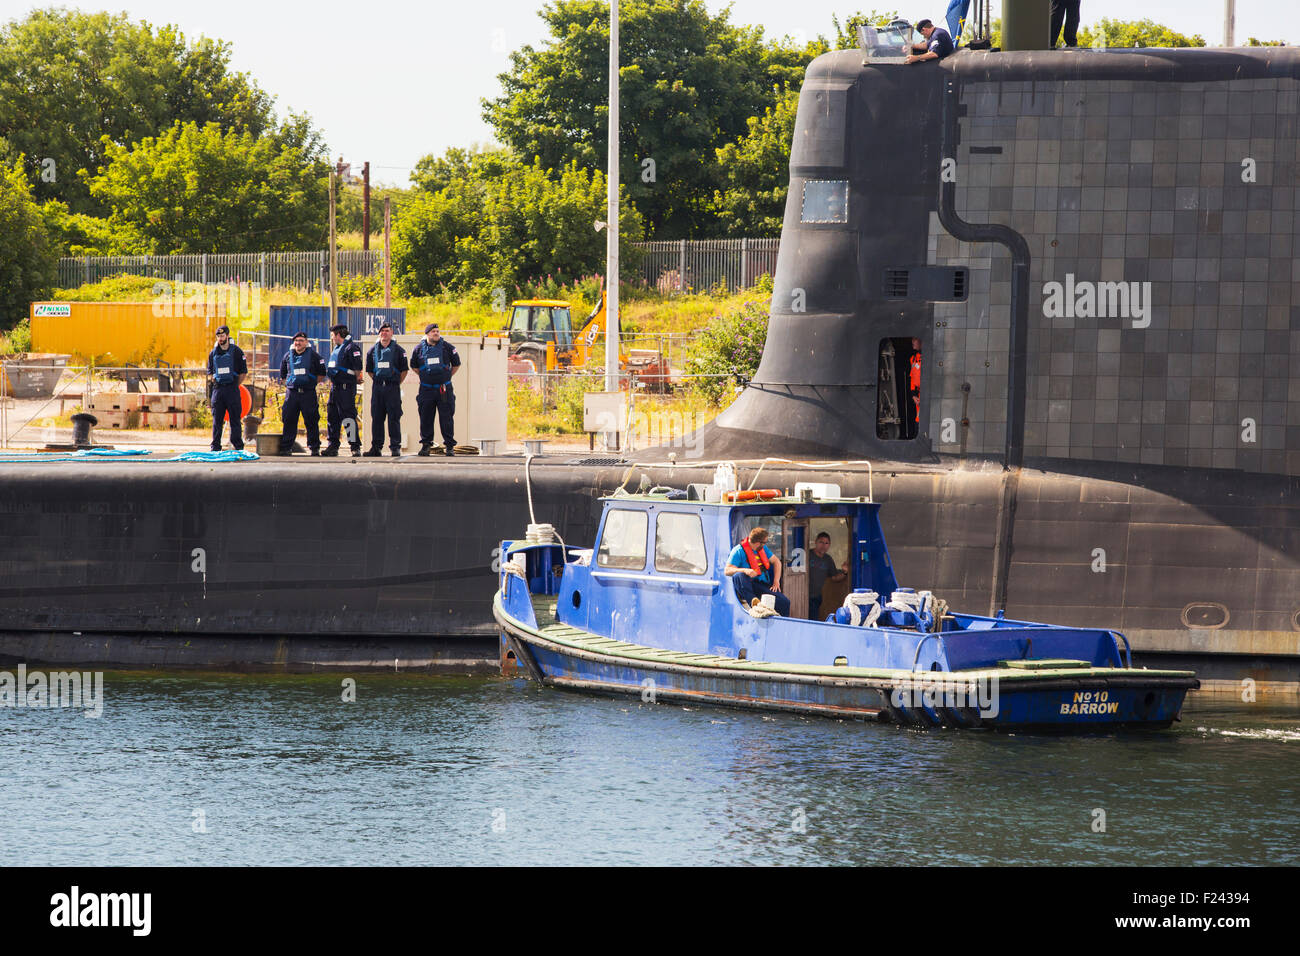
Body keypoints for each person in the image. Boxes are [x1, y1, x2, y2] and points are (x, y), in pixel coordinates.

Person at [410, 323, 461, 457]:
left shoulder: (447, 347)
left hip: (444, 388)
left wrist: (446, 376)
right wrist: (426, 376)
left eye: (437, 331)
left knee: (447, 418)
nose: (436, 333)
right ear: (427, 334)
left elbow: (456, 364)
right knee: (425, 417)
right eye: (433, 331)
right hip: (426, 389)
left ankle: (449, 446)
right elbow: (414, 366)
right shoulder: (418, 349)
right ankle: (426, 445)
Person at [363, 321, 408, 457]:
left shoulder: (399, 351)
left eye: (387, 331)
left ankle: (395, 447)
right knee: (376, 418)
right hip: (377, 388)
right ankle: (376, 448)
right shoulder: (372, 351)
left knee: (394, 418)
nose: (384, 333)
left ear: (391, 333)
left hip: (392, 388)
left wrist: (394, 383)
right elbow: (370, 371)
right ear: (379, 333)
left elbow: (404, 370)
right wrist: (379, 381)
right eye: (382, 331)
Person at [278, 331, 327, 456]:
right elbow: (283, 375)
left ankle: (314, 447)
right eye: (296, 341)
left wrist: (311, 384)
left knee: (311, 420)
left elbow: (321, 374)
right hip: (292, 394)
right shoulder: (287, 356)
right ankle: (286, 447)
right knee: (289, 420)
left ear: (306, 342)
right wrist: (290, 386)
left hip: (308, 393)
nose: (298, 343)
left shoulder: (315, 356)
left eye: (301, 341)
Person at [725, 527, 790, 617]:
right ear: (759, 543)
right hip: (747, 585)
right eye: (764, 542)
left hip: (761, 585)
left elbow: (777, 562)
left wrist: (776, 581)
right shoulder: (738, 551)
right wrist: (745, 570)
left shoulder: (763, 549)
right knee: (739, 575)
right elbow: (727, 570)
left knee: (785, 602)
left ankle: (783, 626)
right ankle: (754, 602)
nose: (765, 545)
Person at [323, 324, 364, 457]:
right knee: (332, 418)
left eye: (332, 335)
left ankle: (354, 446)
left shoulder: (351, 348)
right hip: (335, 389)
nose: (332, 338)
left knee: (348, 418)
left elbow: (358, 366)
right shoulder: (337, 348)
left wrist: (357, 378)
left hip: (346, 389)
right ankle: (333, 446)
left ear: (338, 335)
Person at [206, 325, 247, 451]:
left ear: (228, 336)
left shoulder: (237, 352)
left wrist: (234, 385)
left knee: (235, 419)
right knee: (217, 420)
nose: (220, 338)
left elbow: (243, 372)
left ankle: (238, 446)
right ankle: (215, 446)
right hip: (218, 390)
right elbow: (210, 373)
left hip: (232, 389)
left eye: (222, 336)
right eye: (218, 336)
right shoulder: (213, 353)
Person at [807, 532, 849, 621]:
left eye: (826, 543)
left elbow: (834, 577)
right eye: (821, 542)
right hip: (804, 596)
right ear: (816, 542)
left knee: (814, 620)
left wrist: (845, 572)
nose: (824, 545)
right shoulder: (807, 555)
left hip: (817, 597)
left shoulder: (828, 559)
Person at [909, 336, 922, 428]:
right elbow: (912, 378)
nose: (912, 342)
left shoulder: (929, 357)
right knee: (918, 420)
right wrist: (913, 395)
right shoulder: (913, 359)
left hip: (927, 392)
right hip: (918, 394)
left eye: (915, 339)